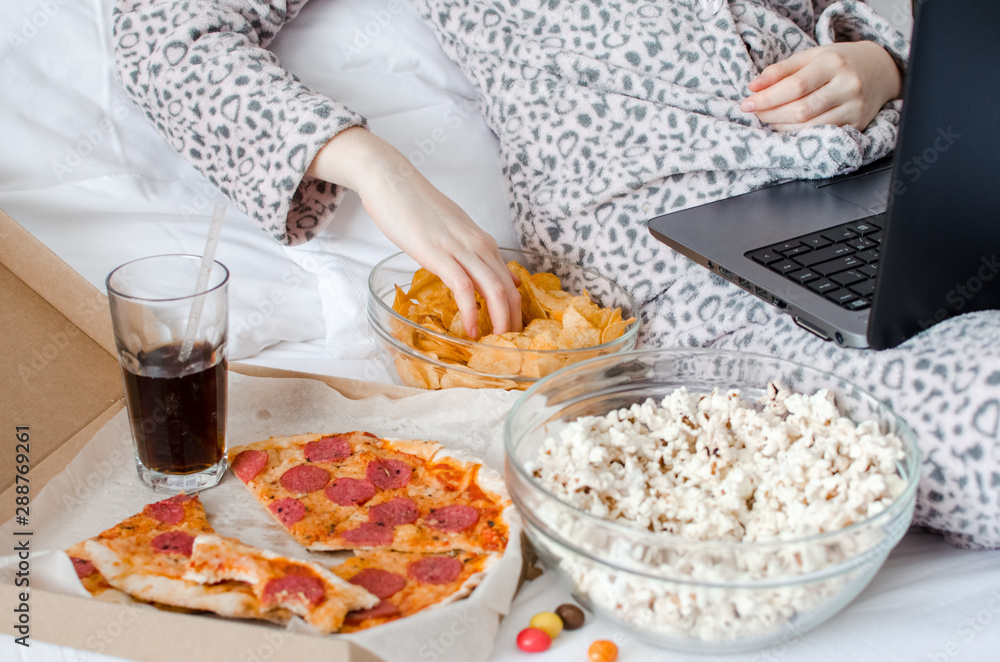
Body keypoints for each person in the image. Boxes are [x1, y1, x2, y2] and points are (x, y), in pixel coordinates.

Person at [111, 1, 1000, 550]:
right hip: (688, 266)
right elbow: (161, 30)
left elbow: (929, 24)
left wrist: (878, 61)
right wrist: (374, 167)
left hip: (899, 180)